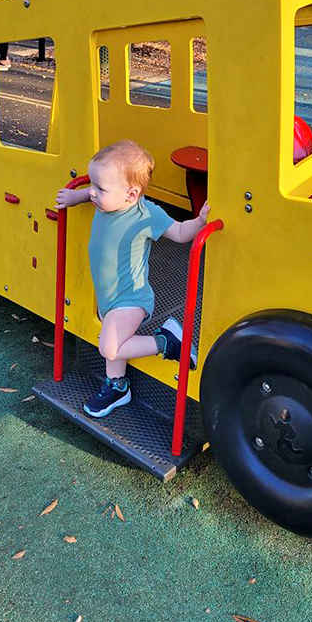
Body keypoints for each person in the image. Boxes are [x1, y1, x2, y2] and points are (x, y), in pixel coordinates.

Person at [54, 139, 210, 417]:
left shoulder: (146, 214)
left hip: (131, 298)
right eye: (93, 184)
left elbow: (181, 234)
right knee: (113, 344)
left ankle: (169, 342)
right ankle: (118, 387)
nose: (93, 193)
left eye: (100, 188)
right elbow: (92, 193)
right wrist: (77, 197)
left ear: (131, 194)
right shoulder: (106, 203)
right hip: (109, 297)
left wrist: (199, 221)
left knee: (109, 347)